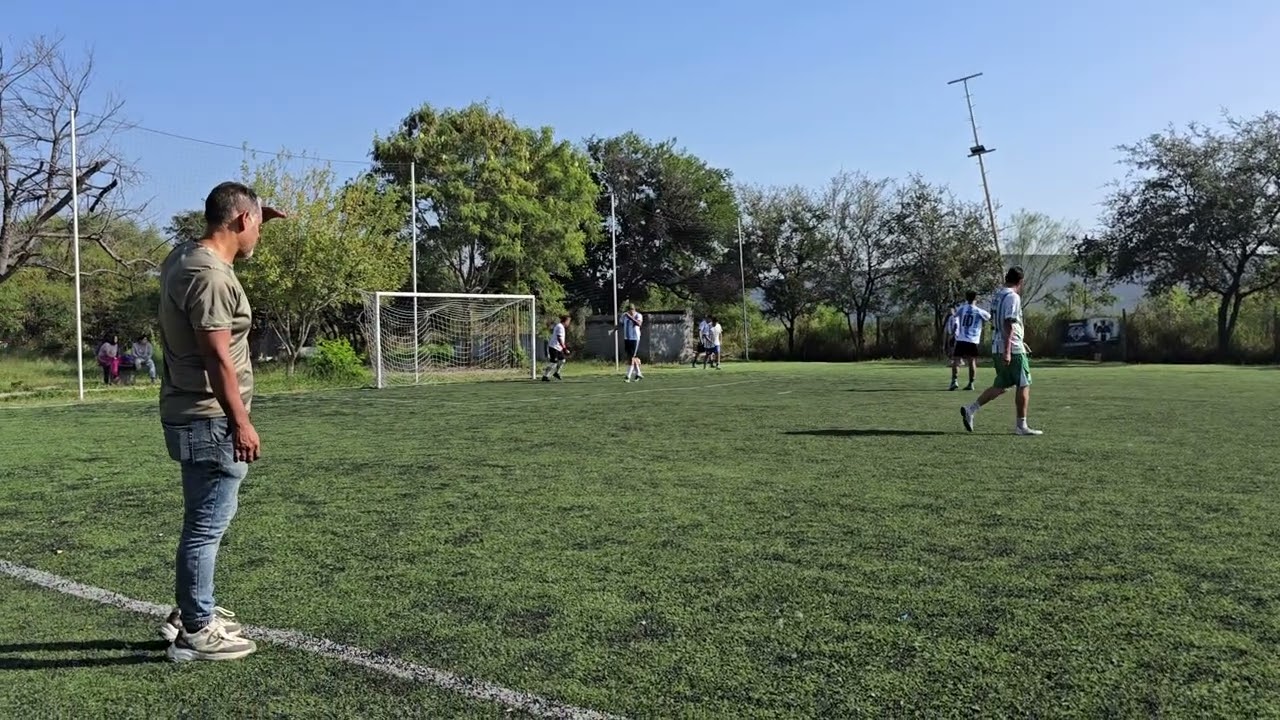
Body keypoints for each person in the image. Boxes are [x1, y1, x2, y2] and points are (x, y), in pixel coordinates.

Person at [156, 181, 286, 662]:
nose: (259, 237)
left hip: (191, 411)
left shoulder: (183, 257)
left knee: (204, 521)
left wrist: (255, 214)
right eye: (256, 226)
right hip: (209, 415)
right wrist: (241, 423)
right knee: (206, 525)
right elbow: (217, 359)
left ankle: (192, 608)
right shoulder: (210, 276)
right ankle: (196, 626)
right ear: (241, 222)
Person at [961, 266, 1043, 436]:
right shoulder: (1013, 297)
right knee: (1024, 383)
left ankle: (971, 409)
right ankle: (1021, 426)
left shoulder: (998, 295)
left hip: (998, 344)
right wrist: (1009, 349)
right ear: (1021, 281)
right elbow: (1008, 323)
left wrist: (1016, 342)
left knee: (1002, 385)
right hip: (1010, 347)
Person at [949, 291, 991, 391]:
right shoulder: (979, 311)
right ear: (976, 299)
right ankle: (971, 383)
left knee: (956, 360)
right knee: (972, 361)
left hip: (961, 339)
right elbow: (989, 317)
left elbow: (955, 316)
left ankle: (954, 381)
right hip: (973, 340)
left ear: (966, 298)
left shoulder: (962, 308)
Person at [541, 314, 571, 381]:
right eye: (568, 321)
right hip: (554, 347)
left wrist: (563, 348)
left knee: (562, 360)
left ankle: (557, 373)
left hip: (558, 348)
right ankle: (545, 376)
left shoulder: (561, 327)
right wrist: (565, 349)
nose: (569, 323)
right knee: (553, 362)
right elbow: (559, 338)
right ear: (565, 321)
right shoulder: (560, 327)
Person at [621, 303, 644, 382]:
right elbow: (621, 323)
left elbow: (639, 324)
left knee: (631, 357)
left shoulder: (638, 315)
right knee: (630, 357)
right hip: (627, 338)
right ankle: (638, 373)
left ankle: (628, 376)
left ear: (634, 309)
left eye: (632, 310)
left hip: (635, 338)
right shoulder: (624, 315)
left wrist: (630, 317)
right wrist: (614, 329)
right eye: (629, 310)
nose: (631, 311)